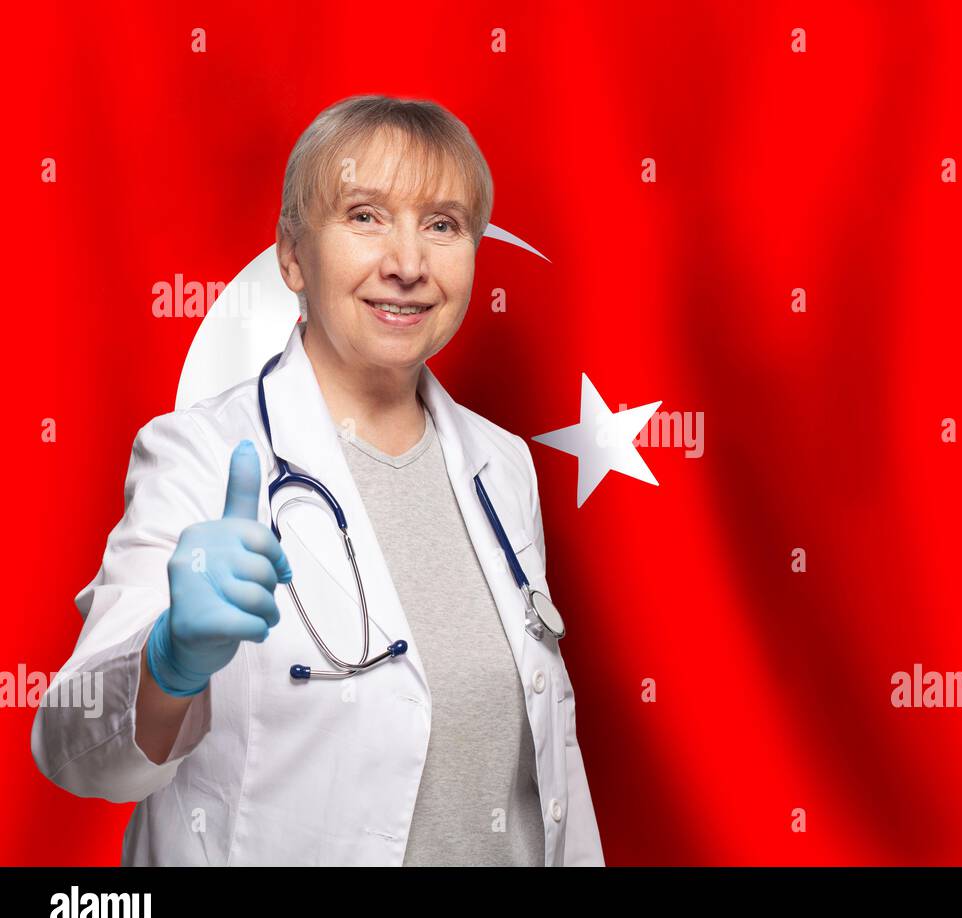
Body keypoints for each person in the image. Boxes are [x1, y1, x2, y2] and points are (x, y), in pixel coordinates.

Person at [30, 94, 605, 866]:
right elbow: (71, 743)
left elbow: (545, 773)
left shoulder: (502, 465)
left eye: (443, 225)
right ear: (293, 256)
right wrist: (166, 663)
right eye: (365, 216)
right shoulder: (197, 454)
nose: (407, 263)